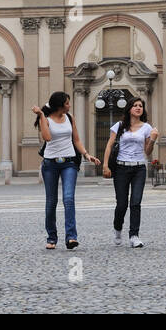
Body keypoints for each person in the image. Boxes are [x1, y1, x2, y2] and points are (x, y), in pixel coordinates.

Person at [33, 91, 99, 250]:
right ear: (60, 105)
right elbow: (47, 138)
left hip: (69, 162)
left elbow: (76, 139)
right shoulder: (47, 119)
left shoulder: (70, 118)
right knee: (51, 201)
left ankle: (71, 237)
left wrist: (86, 154)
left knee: (68, 199)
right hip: (50, 164)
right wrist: (41, 115)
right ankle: (52, 237)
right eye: (67, 103)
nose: (70, 105)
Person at [101, 97, 156, 248]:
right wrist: (105, 165)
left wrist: (152, 140)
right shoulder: (119, 126)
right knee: (121, 204)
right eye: (135, 105)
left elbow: (147, 151)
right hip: (121, 168)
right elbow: (109, 146)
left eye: (141, 106)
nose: (138, 108)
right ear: (129, 108)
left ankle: (134, 235)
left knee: (136, 203)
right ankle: (118, 229)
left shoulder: (146, 127)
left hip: (139, 168)